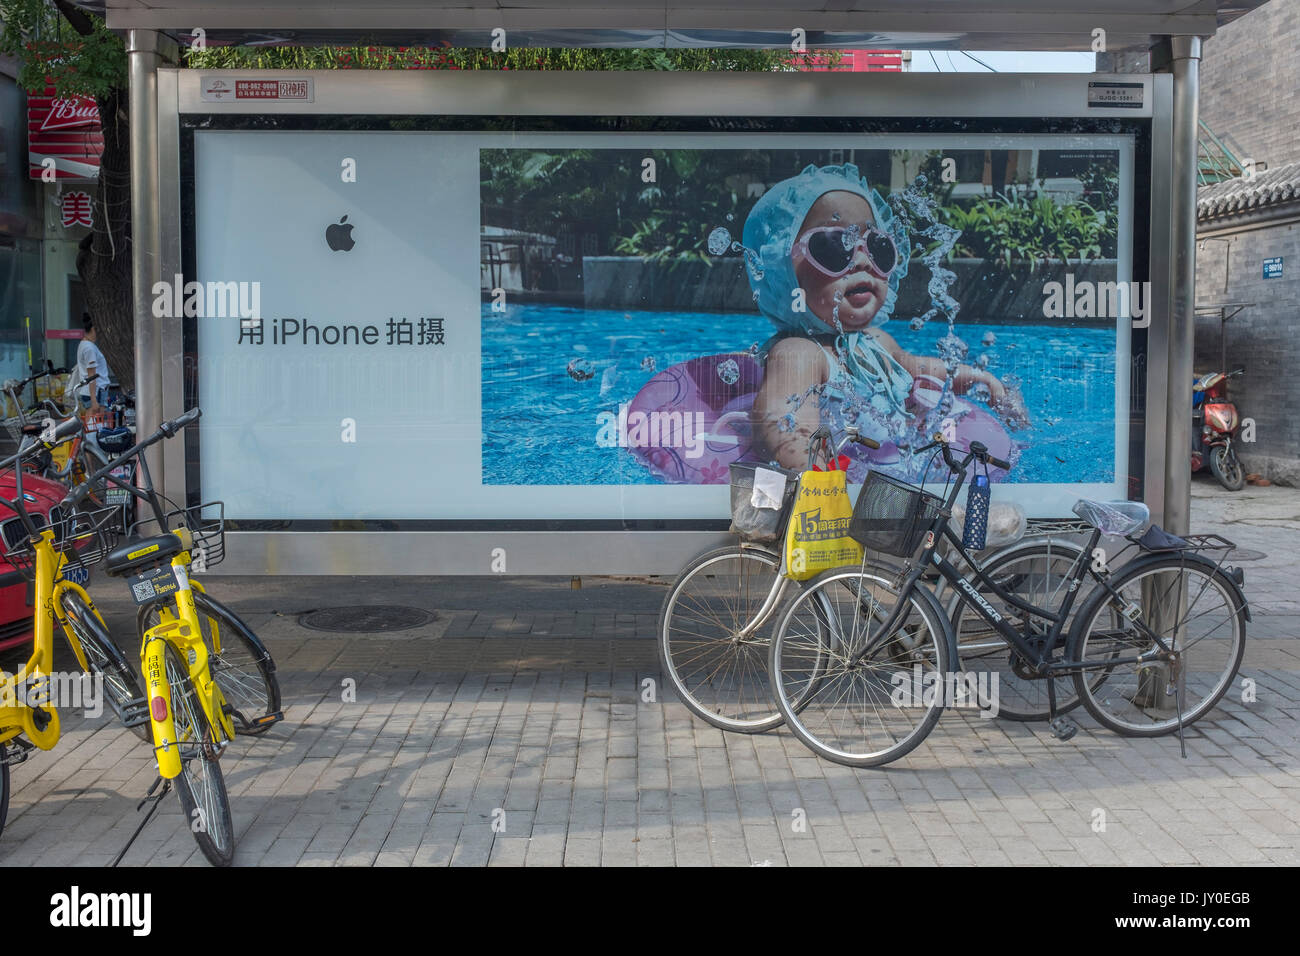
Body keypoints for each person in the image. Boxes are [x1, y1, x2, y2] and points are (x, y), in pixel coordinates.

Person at [744, 164, 1029, 475]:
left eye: (877, 247)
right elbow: (781, 423)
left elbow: (923, 368)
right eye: (835, 247)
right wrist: (824, 486)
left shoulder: (875, 341)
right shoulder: (799, 353)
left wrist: (982, 380)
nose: (863, 261)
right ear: (780, 269)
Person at [75, 313, 116, 415]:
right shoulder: (89, 348)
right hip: (95, 392)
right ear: (93, 329)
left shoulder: (85, 344)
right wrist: (94, 400)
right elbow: (91, 375)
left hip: (94, 391)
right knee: (94, 425)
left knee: (95, 425)